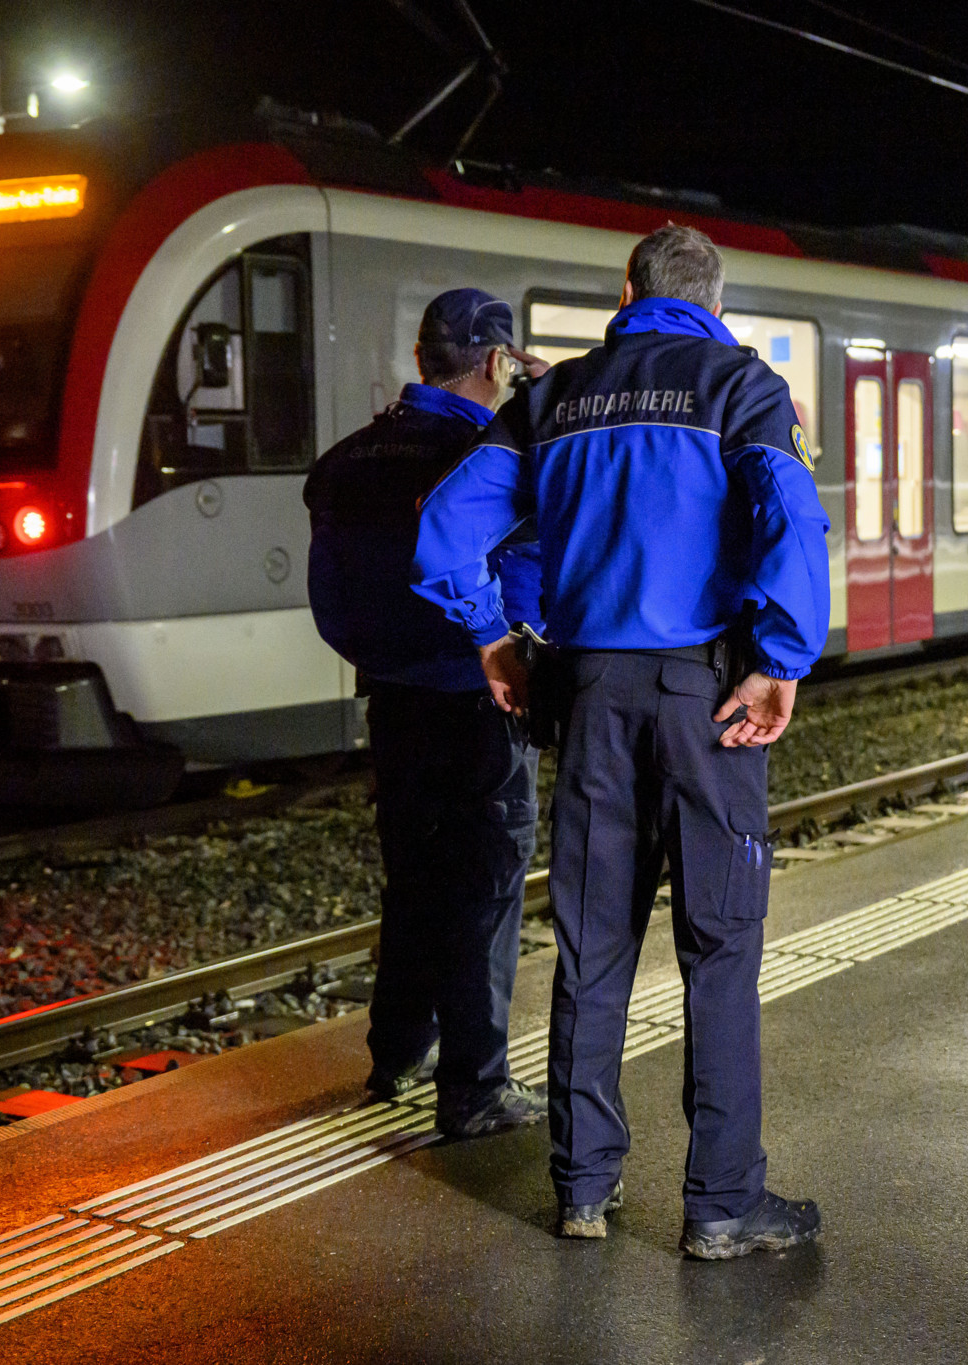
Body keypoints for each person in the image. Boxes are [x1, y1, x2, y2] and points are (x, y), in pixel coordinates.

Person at [412, 225, 832, 1259]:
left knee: (593, 944)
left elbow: (445, 527)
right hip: (707, 701)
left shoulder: (555, 398)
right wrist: (779, 657)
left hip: (589, 696)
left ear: (624, 291)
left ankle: (583, 1190)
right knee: (719, 947)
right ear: (715, 303)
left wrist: (492, 638)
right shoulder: (740, 386)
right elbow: (787, 517)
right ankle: (723, 1203)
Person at [302, 288, 550, 1140]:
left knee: (412, 875)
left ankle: (397, 1050)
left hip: (395, 701)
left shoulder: (346, 461)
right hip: (482, 700)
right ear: (494, 362)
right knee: (484, 886)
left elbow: (330, 604)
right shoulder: (489, 457)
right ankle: (476, 1087)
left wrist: (391, 655)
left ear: (422, 359)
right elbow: (523, 585)